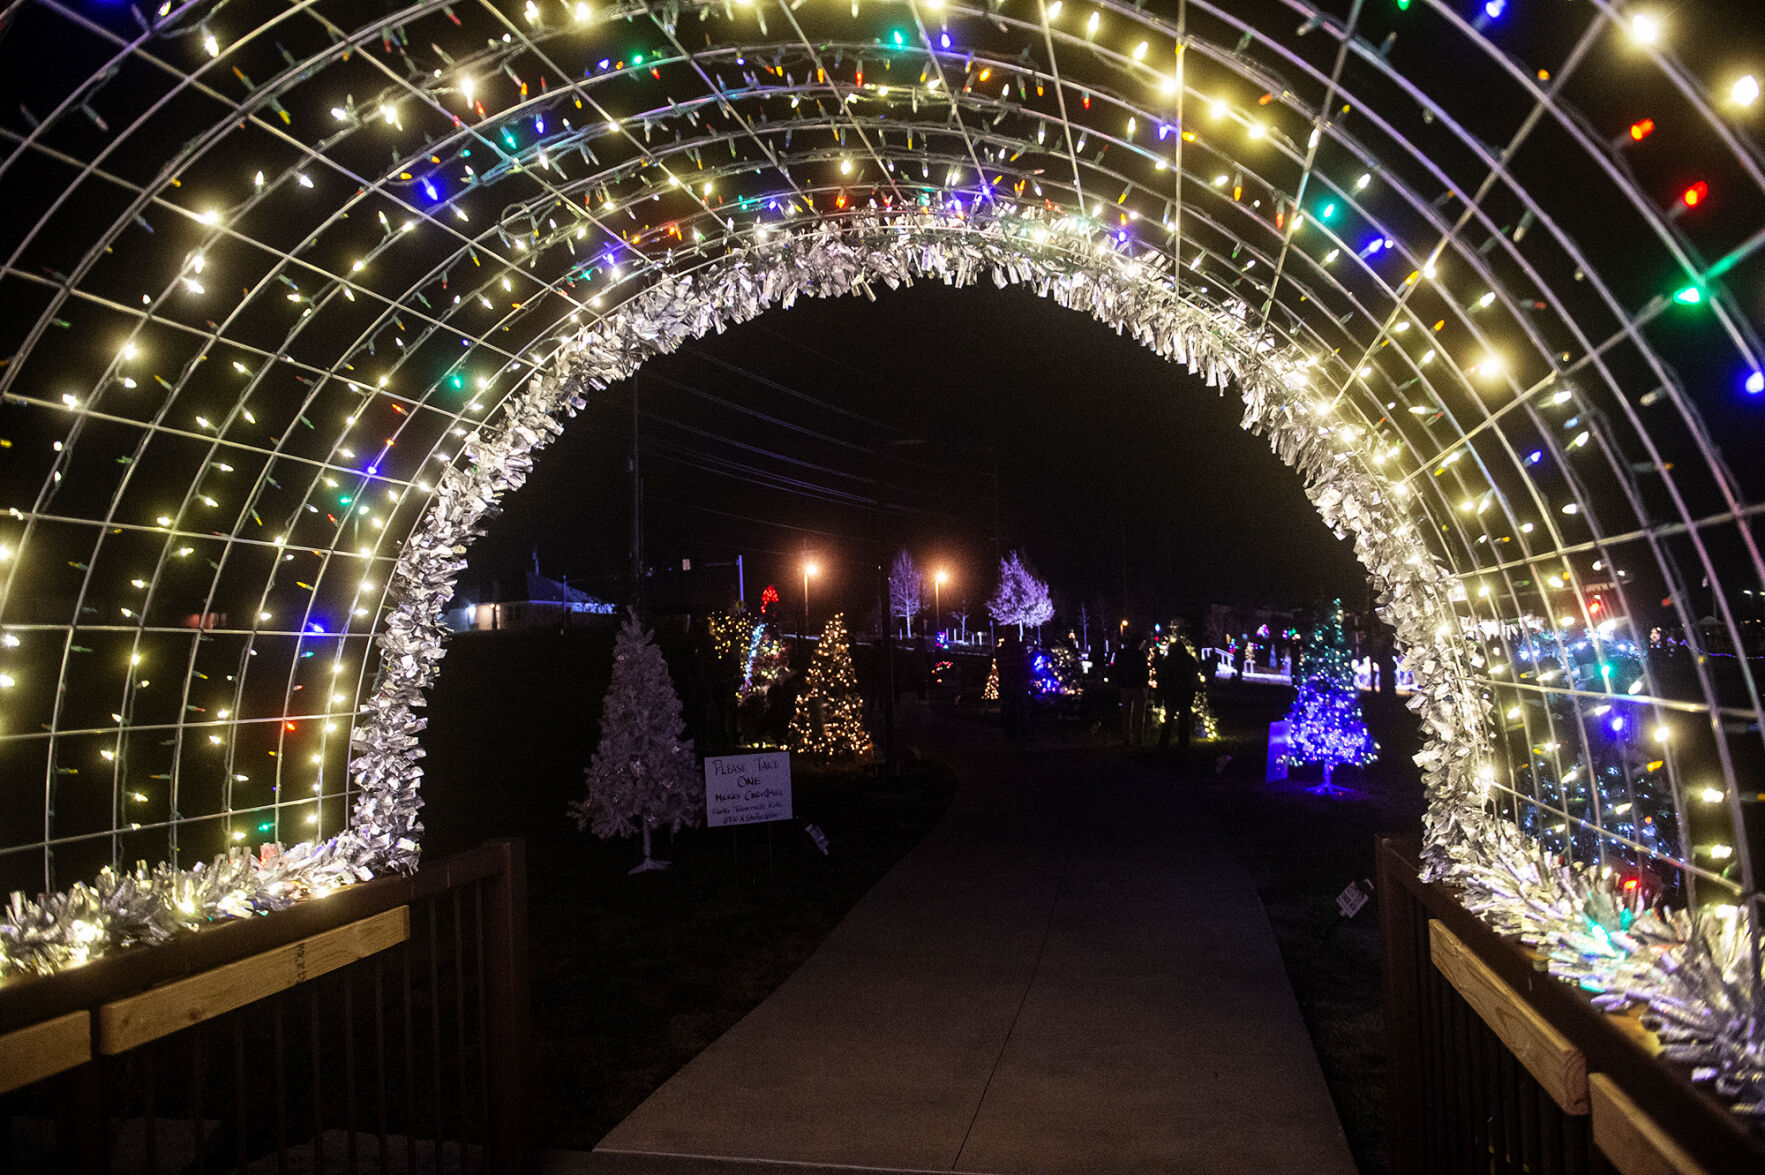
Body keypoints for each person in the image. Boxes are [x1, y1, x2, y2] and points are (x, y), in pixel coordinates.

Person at [1157, 639, 1203, 754]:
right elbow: (1196, 671)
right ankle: (1183, 743)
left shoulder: (1168, 661)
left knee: (1169, 718)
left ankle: (1164, 742)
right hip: (1185, 693)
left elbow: (1162, 676)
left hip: (1171, 693)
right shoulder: (1189, 659)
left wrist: (1161, 692)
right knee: (1184, 719)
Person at [1112, 633, 1150, 745]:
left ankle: (1126, 738)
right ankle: (1138, 737)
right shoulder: (1140, 654)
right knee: (1139, 714)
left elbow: (1116, 669)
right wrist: (1145, 684)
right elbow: (1144, 671)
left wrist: (1118, 682)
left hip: (1125, 685)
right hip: (1138, 686)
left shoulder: (1121, 653)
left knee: (1126, 713)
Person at [998, 633, 1033, 741]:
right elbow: (1026, 665)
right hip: (1019, 680)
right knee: (1022, 706)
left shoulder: (1001, 650)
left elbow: (1000, 667)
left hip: (1007, 681)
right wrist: (1027, 678)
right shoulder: (1020, 649)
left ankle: (1010, 732)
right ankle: (1024, 732)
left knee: (1009, 706)